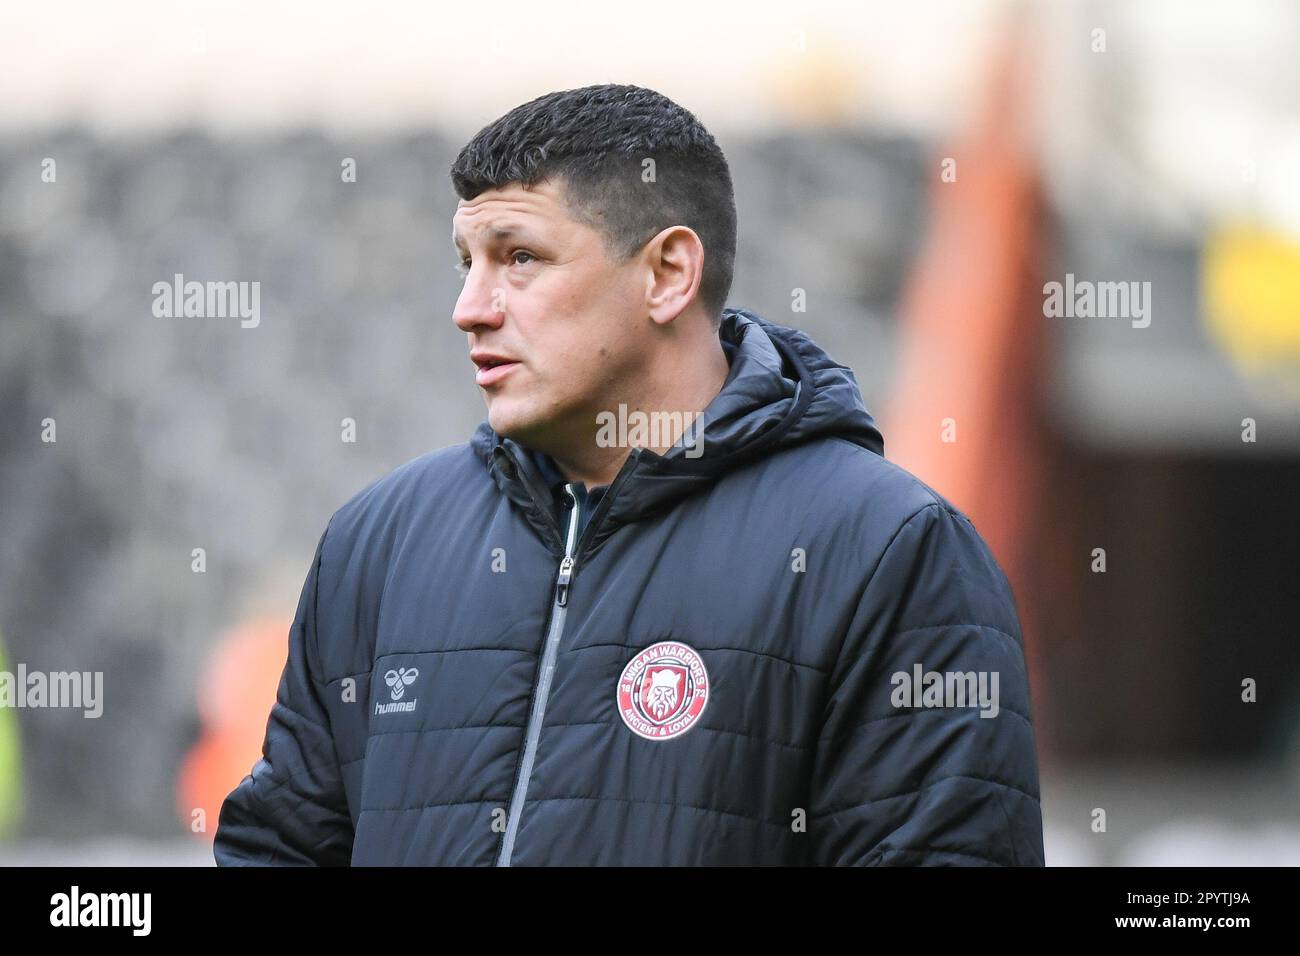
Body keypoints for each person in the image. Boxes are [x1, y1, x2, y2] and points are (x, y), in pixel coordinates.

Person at [214, 83, 1045, 866]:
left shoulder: (887, 551)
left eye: (521, 258)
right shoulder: (380, 543)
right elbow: (278, 849)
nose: (470, 306)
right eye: (467, 261)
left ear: (668, 274)